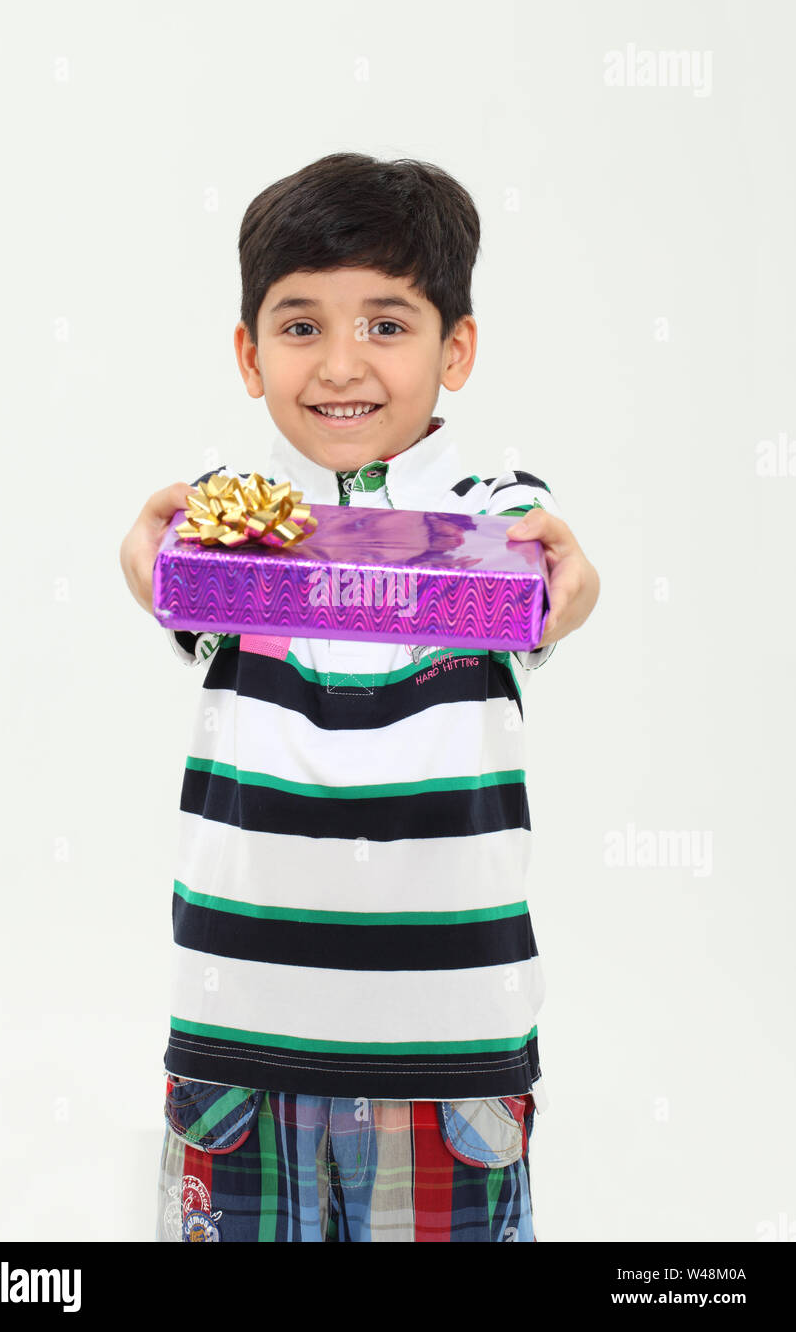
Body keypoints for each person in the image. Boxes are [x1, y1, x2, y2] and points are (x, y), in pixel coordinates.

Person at [119, 152, 600, 1242]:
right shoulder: (231, 526)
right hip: (237, 1058)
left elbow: (554, 571)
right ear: (249, 354)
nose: (342, 363)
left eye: (387, 324)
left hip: (448, 1065)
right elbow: (170, 582)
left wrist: (570, 587)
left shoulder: (495, 514)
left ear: (456, 348)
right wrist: (147, 559)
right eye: (300, 327)